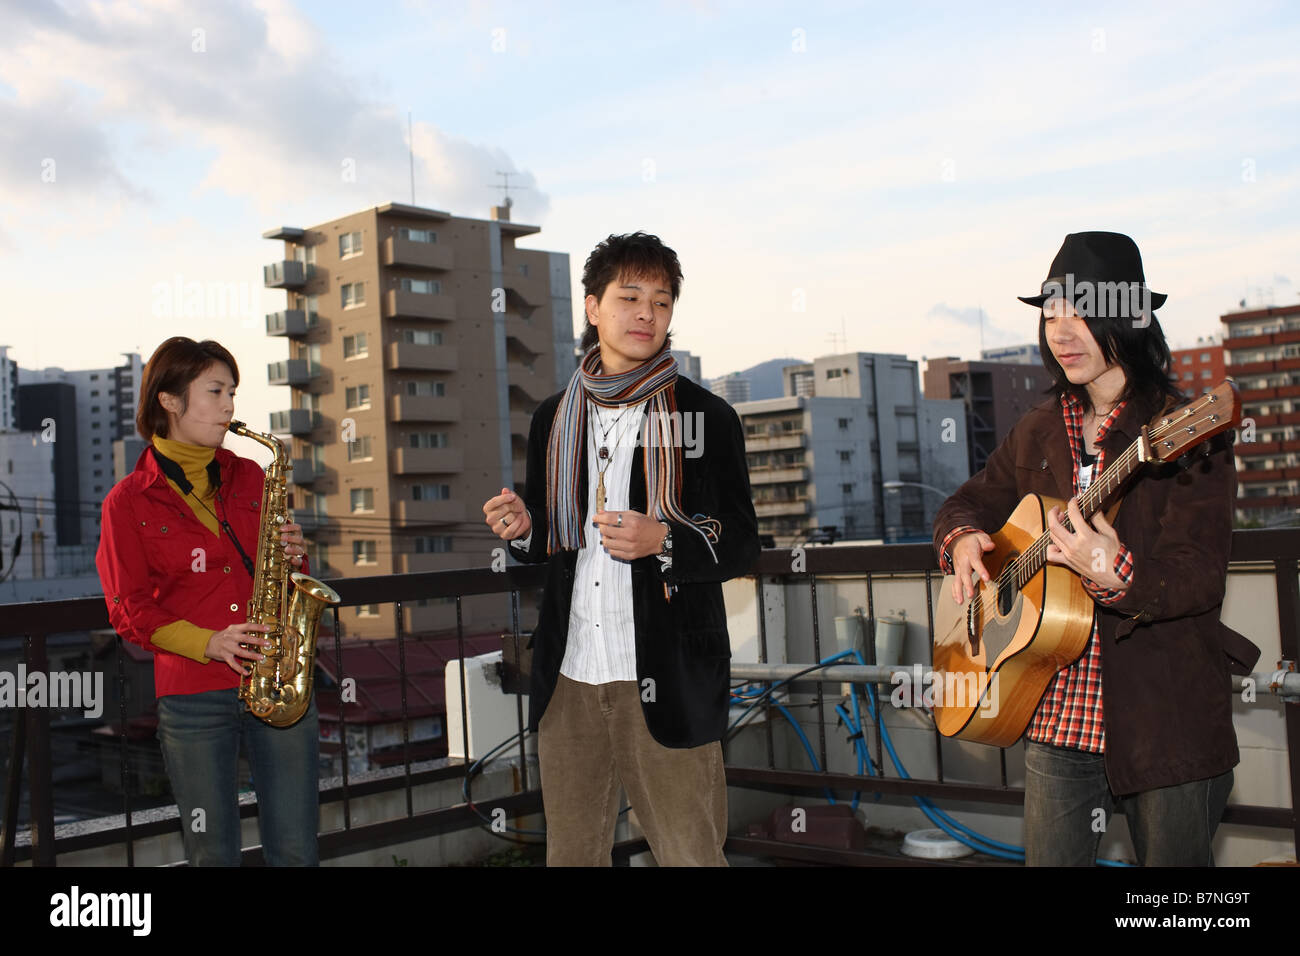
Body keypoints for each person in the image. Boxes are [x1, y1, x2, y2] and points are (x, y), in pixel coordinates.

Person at [932, 231, 1259, 866]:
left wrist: (1117, 571)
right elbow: (965, 502)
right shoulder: (1038, 428)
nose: (1061, 331)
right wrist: (963, 539)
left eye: (1081, 312)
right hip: (1055, 712)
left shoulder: (1183, 430)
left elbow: (1199, 576)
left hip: (1162, 720)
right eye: (1051, 312)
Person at [482, 232, 759, 866]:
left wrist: (665, 540)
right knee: (572, 856)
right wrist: (524, 528)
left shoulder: (705, 416)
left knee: (690, 854)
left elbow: (744, 544)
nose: (646, 314)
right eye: (629, 297)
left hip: (665, 671)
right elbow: (553, 536)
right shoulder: (554, 418)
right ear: (593, 307)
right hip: (570, 674)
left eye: (661, 302)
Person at [96, 336, 319, 866]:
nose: (229, 406)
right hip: (193, 696)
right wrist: (211, 643)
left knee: (296, 849)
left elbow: (284, 581)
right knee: (213, 853)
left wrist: (295, 558)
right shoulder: (127, 501)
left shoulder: (253, 475)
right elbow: (127, 609)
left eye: (232, 393)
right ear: (170, 400)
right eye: (215, 391)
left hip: (279, 678)